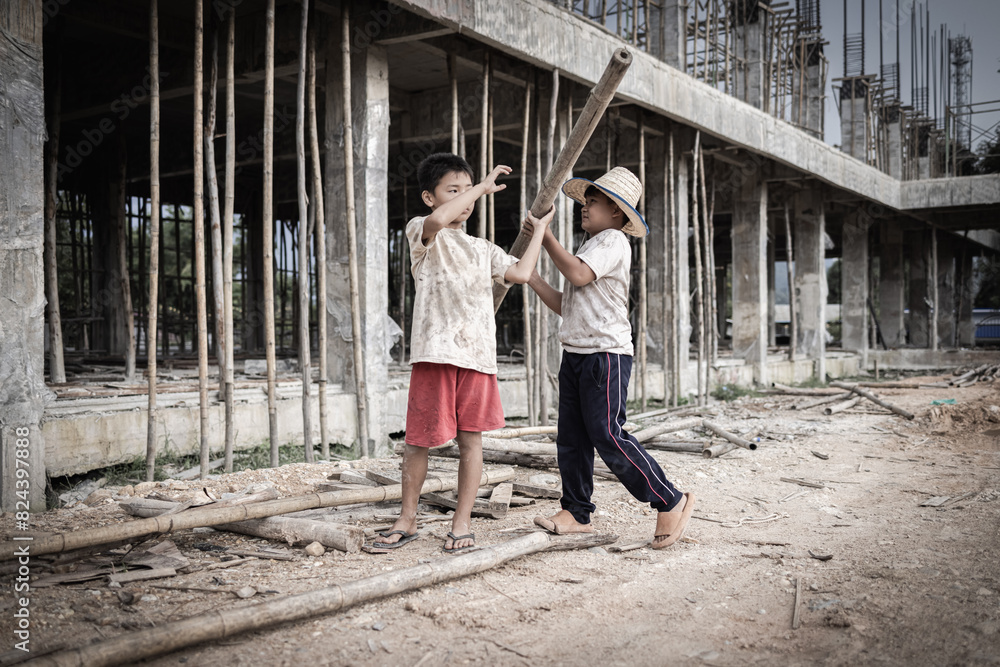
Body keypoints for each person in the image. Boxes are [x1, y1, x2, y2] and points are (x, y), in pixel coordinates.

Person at [373, 153, 554, 553]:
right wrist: (480, 186)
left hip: (477, 358)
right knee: (417, 442)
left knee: (471, 445)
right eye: (452, 191)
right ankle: (407, 518)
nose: (465, 199)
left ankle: (462, 522)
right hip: (435, 354)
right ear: (429, 197)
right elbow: (439, 220)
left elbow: (522, 274)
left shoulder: (484, 249)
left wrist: (539, 230)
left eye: (466, 191)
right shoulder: (423, 232)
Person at [526, 166, 695, 549]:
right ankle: (575, 512)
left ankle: (670, 499)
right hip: (576, 354)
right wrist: (534, 279)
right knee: (572, 438)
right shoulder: (589, 246)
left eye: (595, 201)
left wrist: (545, 233)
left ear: (617, 212)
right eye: (585, 201)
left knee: (607, 435)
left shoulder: (613, 241)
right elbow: (567, 305)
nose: (585, 207)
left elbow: (579, 276)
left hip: (606, 356)